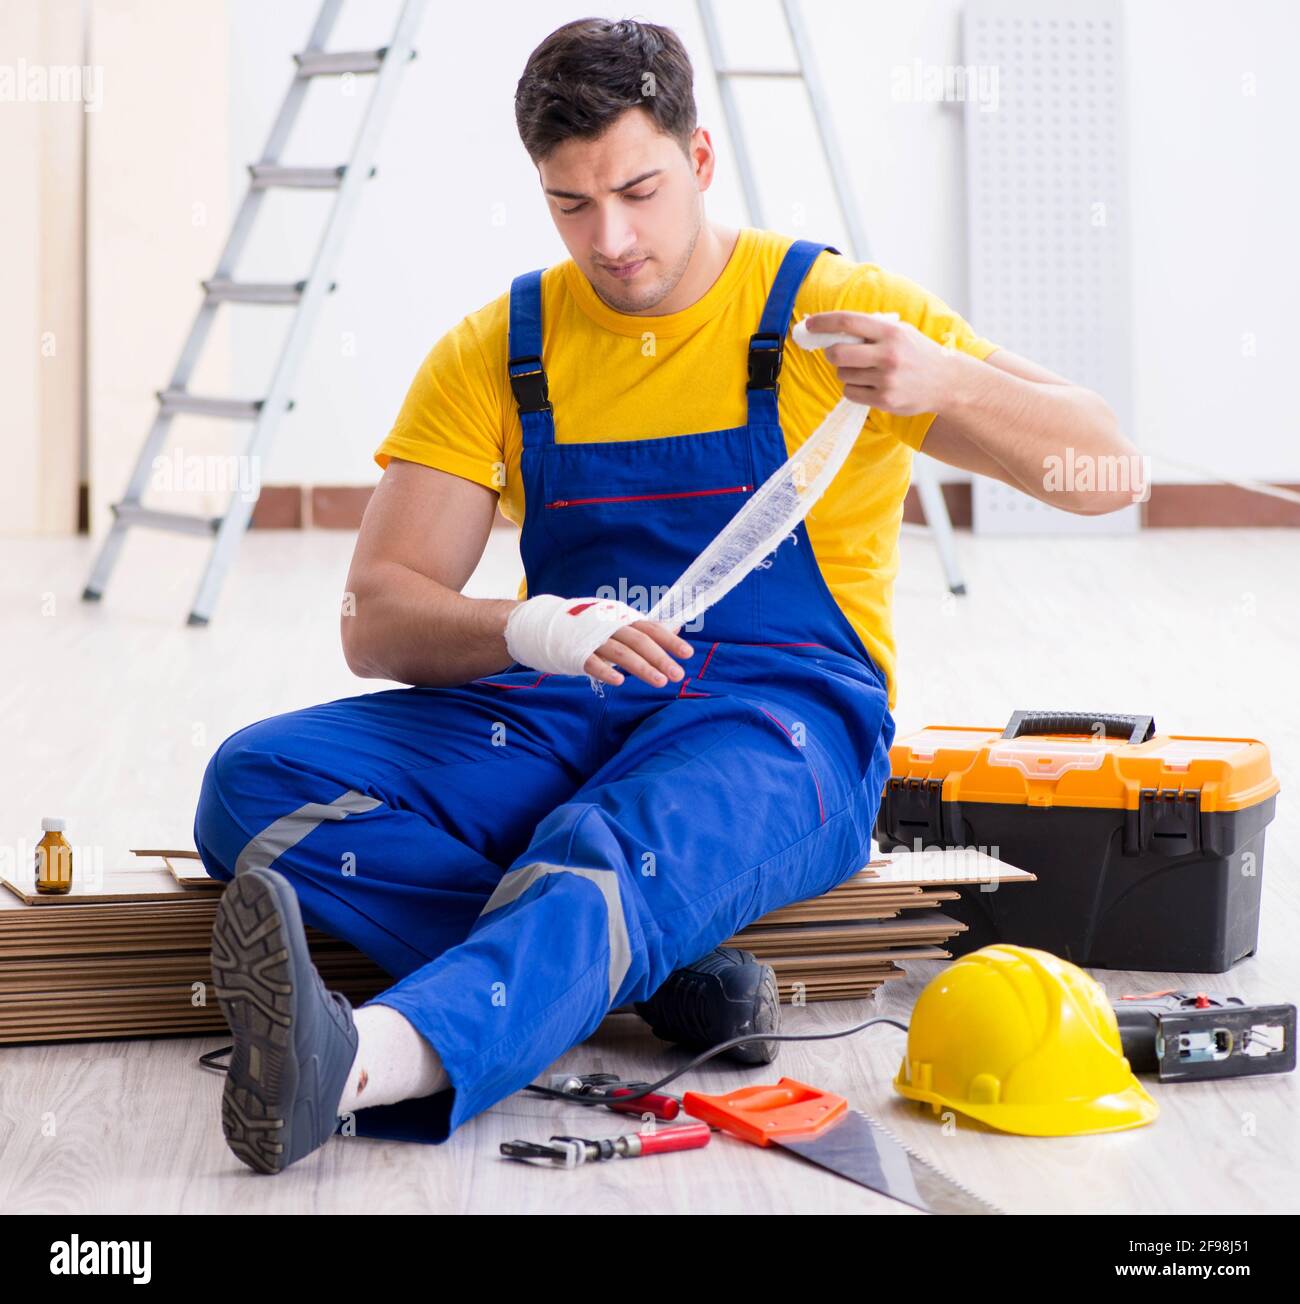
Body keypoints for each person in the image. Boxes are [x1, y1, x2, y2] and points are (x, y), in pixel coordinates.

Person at [194, 18, 1138, 1175]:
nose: (614, 237)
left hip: (777, 720)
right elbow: (375, 615)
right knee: (256, 782)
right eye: (571, 204)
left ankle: (359, 1061)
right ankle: (645, 963)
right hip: (561, 695)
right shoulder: (506, 345)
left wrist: (940, 375)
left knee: (600, 846)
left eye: (638, 189)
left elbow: (1107, 469)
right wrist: (532, 625)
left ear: (698, 157)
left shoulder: (827, 315)